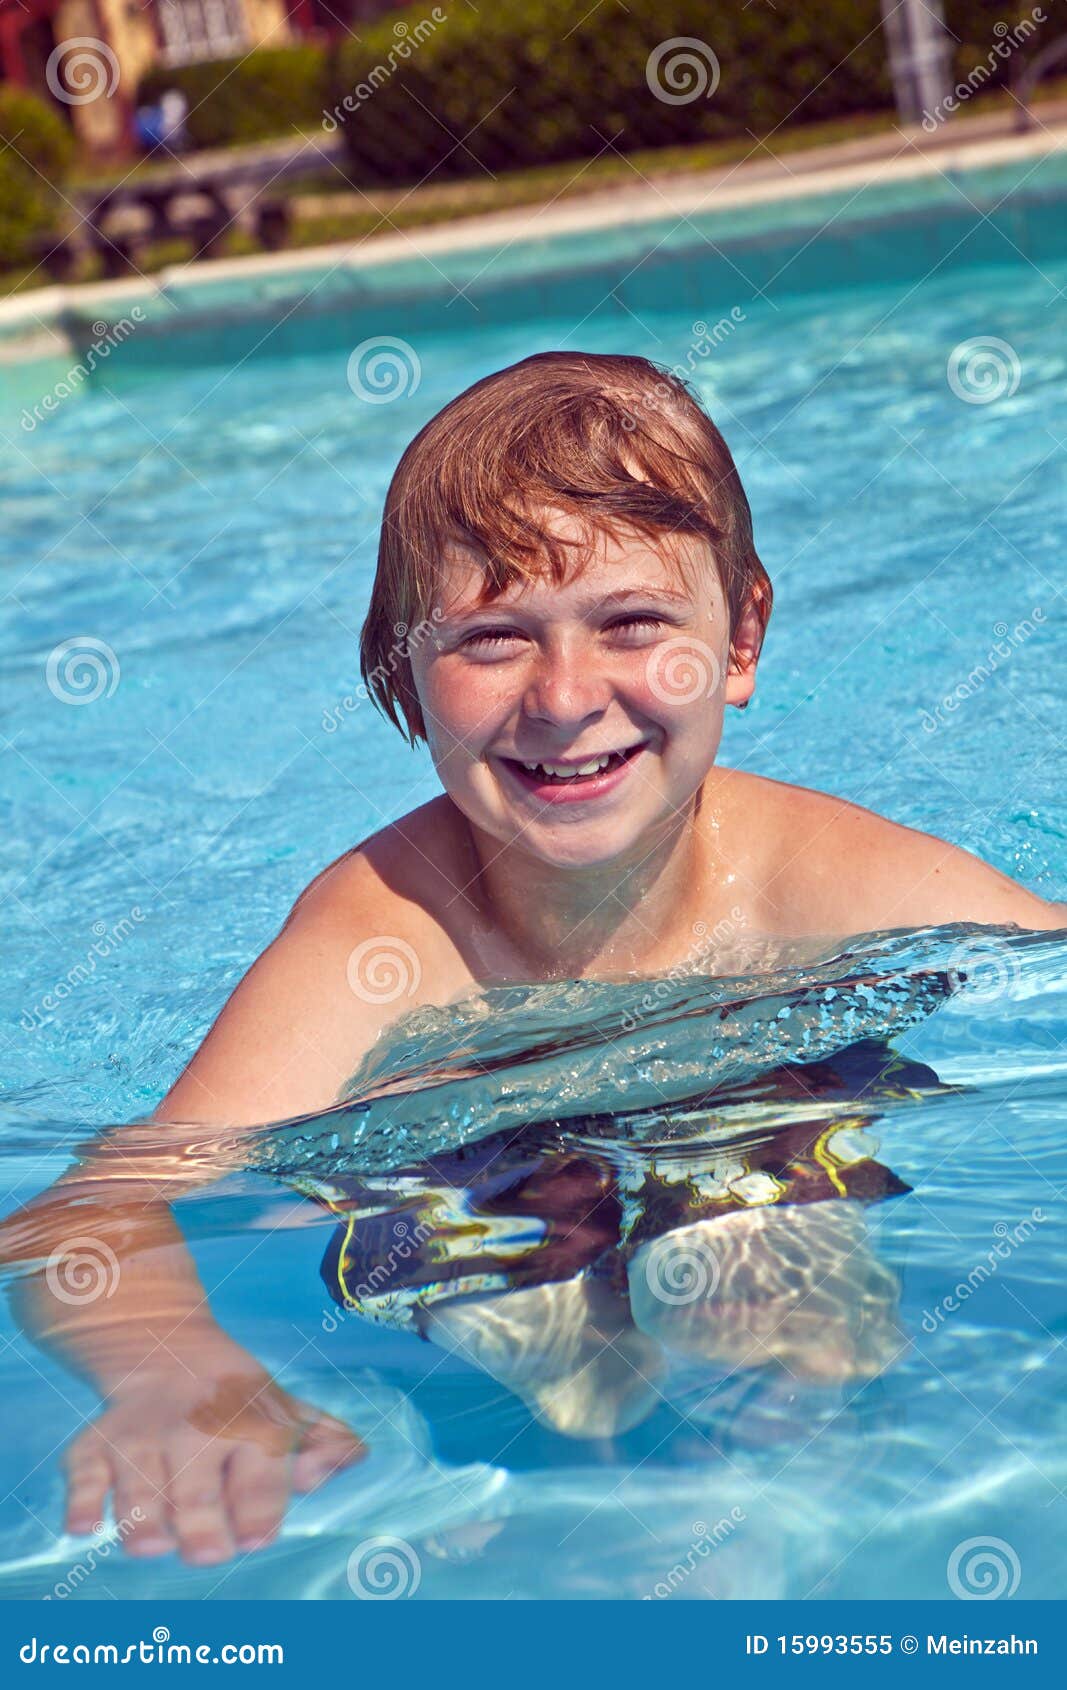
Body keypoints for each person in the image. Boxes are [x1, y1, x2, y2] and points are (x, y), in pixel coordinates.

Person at [3, 351, 1063, 1569]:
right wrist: (176, 1378)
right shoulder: (382, 941)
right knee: (541, 1345)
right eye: (493, 638)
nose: (564, 697)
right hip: (473, 1169)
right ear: (400, 674)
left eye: (631, 623)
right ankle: (551, 1491)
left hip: (755, 1121)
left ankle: (773, 1507)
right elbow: (89, 1209)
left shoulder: (822, 882)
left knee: (751, 1287)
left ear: (740, 637)